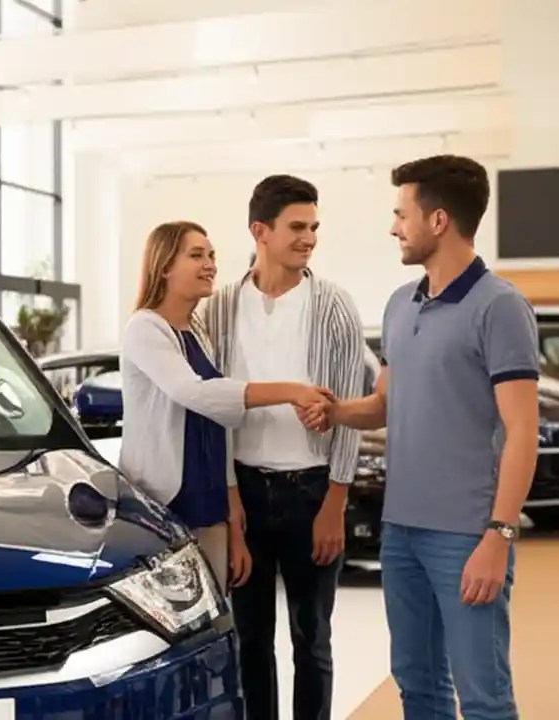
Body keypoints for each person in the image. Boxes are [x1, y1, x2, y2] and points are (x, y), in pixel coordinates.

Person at [315, 154, 539, 719]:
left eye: (401, 214)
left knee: (484, 696)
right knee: (417, 685)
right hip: (402, 531)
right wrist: (335, 410)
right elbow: (385, 405)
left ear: (438, 221)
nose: (394, 227)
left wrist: (499, 536)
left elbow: (523, 431)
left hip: (467, 534)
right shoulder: (398, 305)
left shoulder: (500, 307)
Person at [196, 175, 366, 720]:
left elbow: (347, 414)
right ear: (260, 231)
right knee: (249, 639)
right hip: (243, 488)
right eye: (297, 227)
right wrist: (231, 504)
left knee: (311, 639)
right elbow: (214, 413)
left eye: (314, 227)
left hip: (312, 491)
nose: (309, 237)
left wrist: (334, 505)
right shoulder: (218, 309)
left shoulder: (334, 306)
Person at [118, 220, 332, 591]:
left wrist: (233, 517)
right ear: (165, 265)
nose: (210, 264)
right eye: (196, 255)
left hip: (210, 502)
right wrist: (291, 391)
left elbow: (221, 424)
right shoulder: (144, 329)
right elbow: (195, 392)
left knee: (216, 621)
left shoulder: (199, 332)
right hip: (163, 505)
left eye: (212, 255)